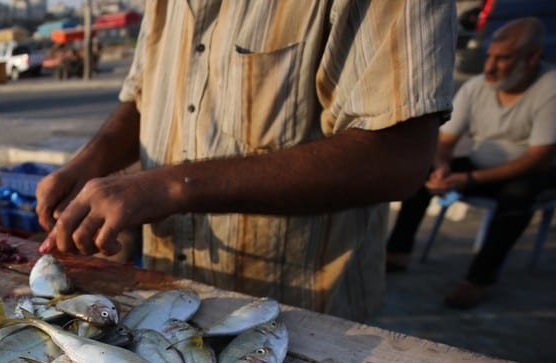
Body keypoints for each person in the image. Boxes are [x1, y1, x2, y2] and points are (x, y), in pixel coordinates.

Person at [35, 2, 456, 321]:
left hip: (303, 320)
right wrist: (88, 164)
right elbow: (143, 96)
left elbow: (399, 157)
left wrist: (174, 186)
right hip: (170, 308)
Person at [386, 17, 556, 310]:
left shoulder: (550, 89)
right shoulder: (477, 86)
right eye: (489, 56)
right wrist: (442, 167)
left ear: (533, 58)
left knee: (517, 196)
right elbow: (445, 142)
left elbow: (539, 158)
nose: (490, 67)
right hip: (480, 164)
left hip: (532, 172)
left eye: (503, 59)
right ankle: (397, 252)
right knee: (423, 171)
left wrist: (470, 180)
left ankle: (479, 280)